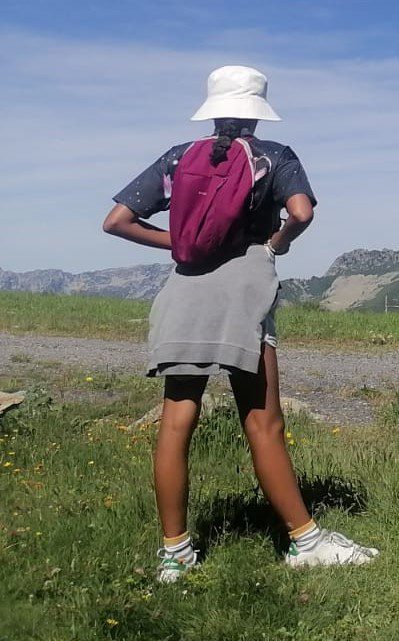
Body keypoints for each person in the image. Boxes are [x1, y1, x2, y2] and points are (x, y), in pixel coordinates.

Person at [103, 65, 378, 582]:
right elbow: (301, 211)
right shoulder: (276, 156)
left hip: (184, 290)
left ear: (212, 110)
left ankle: (175, 555)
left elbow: (117, 220)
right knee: (263, 419)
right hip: (245, 291)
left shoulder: (179, 157)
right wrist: (277, 242)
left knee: (176, 420)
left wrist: (181, 244)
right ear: (257, 111)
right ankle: (304, 541)